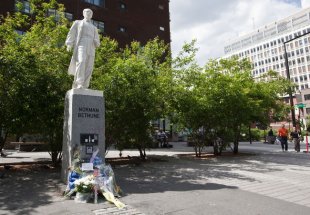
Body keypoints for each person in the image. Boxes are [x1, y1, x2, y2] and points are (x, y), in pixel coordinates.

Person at [65, 8, 100, 89]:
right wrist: (69, 43)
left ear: (92, 15)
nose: (89, 14)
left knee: (89, 66)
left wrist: (96, 42)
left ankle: (85, 85)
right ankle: (79, 83)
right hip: (82, 44)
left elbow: (97, 41)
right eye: (87, 12)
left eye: (90, 13)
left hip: (91, 46)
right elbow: (72, 32)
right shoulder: (78, 23)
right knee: (81, 61)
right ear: (83, 13)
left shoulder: (94, 27)